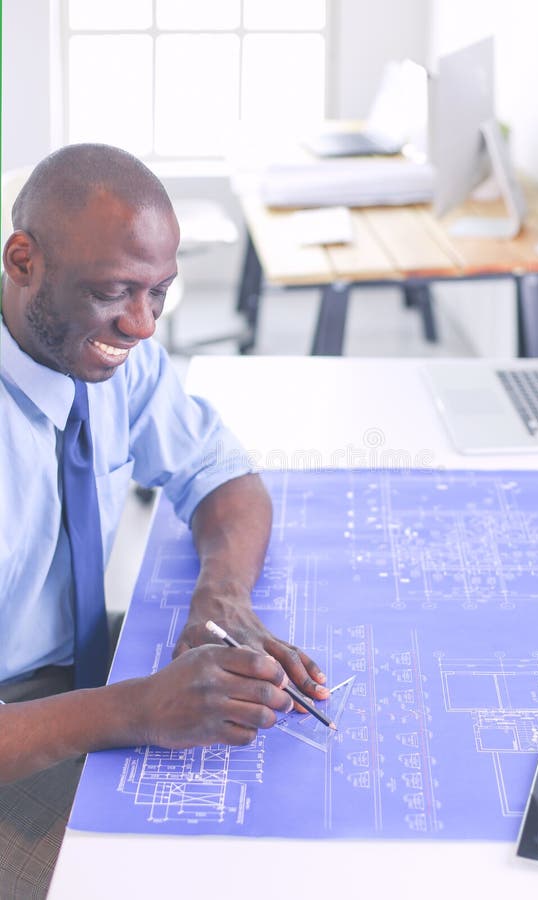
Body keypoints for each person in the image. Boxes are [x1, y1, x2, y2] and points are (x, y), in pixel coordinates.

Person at [0, 143, 329, 898]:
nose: (144, 326)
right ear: (23, 261)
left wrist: (222, 594)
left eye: (161, 293)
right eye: (114, 291)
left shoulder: (109, 353)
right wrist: (138, 709)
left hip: (73, 669)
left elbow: (224, 478)